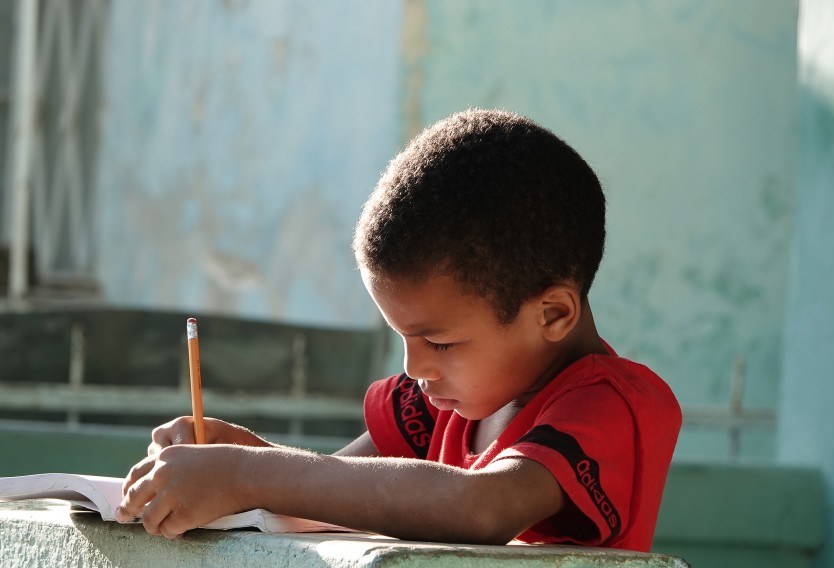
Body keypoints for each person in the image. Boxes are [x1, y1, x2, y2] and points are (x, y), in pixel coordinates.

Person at [116, 108, 681, 551]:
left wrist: (245, 473)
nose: (415, 369)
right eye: (404, 338)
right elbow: (337, 493)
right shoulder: (444, 400)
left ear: (553, 314)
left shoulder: (614, 404)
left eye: (439, 341)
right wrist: (235, 459)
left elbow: (479, 509)